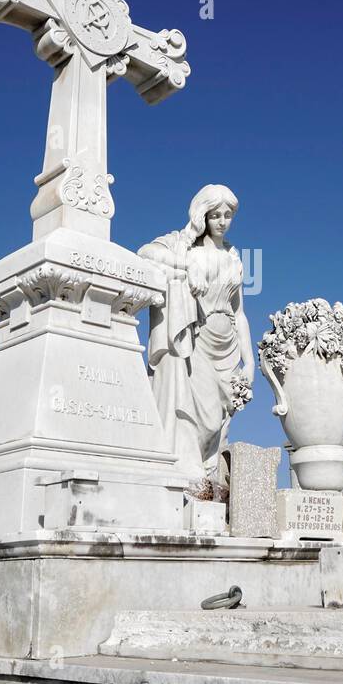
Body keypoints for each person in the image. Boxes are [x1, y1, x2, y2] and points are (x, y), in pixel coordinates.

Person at [138, 184, 254, 485]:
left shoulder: (234, 256)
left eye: (228, 215)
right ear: (203, 215)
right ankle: (188, 472)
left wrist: (249, 361)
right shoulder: (184, 248)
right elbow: (144, 253)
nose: (222, 221)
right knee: (209, 417)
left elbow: (239, 312)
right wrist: (186, 263)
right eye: (215, 214)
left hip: (227, 345)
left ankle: (206, 482)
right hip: (199, 340)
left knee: (223, 423)